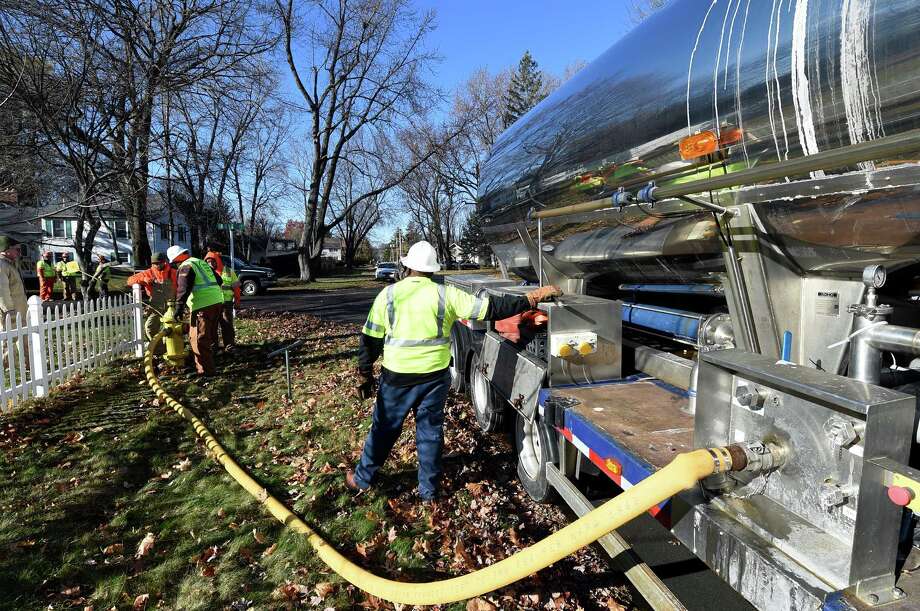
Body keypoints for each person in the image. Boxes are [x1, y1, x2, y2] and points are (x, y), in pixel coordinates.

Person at [345, 240, 562, 501]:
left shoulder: (388, 295)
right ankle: (428, 491)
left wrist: (364, 373)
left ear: (407, 268)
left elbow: (370, 339)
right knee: (429, 433)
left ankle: (362, 479)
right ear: (433, 270)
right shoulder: (445, 295)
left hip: (397, 378)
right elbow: (494, 308)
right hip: (434, 378)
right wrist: (532, 297)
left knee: (384, 428)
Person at [168, 245, 224, 376]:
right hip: (216, 303)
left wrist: (179, 308)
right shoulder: (200, 262)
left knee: (198, 340)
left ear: (178, 258)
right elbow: (219, 280)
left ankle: (206, 372)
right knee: (209, 337)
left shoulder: (186, 266)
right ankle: (208, 366)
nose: (175, 265)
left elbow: (183, 288)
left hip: (202, 306)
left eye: (175, 263)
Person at [0, 235, 29, 366]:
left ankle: (28, 363)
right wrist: (9, 310)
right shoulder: (1, 265)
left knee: (24, 337)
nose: (19, 252)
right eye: (16, 249)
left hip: (20, 310)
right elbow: (2, 290)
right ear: (6, 249)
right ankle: (5, 366)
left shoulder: (10, 264)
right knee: (8, 339)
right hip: (10, 311)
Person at [205, 252, 239, 350]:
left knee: (227, 325)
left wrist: (237, 301)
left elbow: (236, 288)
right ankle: (213, 346)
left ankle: (229, 345)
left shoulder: (228, 271)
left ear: (217, 261)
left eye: (212, 262)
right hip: (212, 304)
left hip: (226, 304)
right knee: (212, 326)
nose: (210, 264)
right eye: (208, 262)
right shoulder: (206, 273)